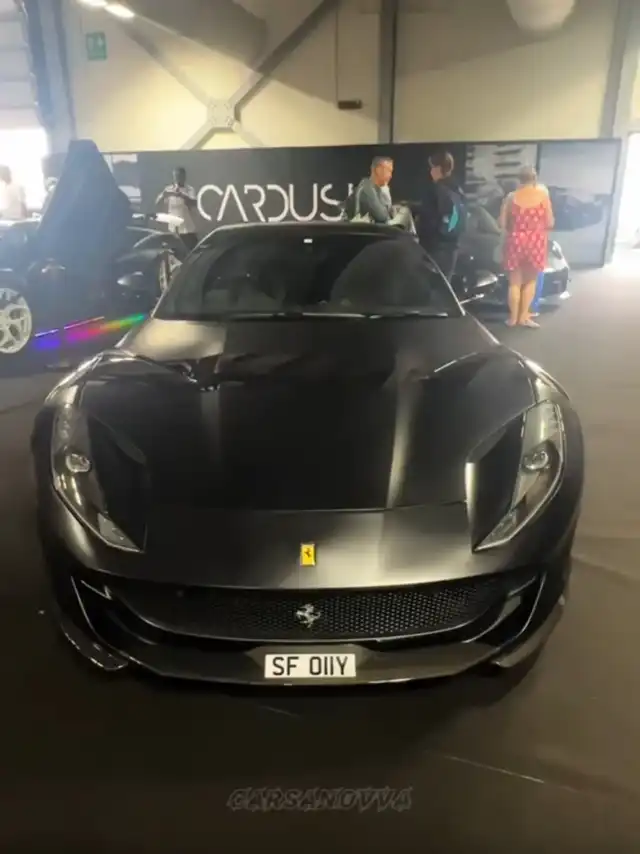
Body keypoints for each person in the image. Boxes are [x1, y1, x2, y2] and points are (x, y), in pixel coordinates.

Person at [499, 166, 554, 328]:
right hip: (536, 242)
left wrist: (514, 225)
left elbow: (501, 223)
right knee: (530, 281)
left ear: (519, 179)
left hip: (515, 240)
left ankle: (512, 319)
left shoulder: (511, 197)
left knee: (514, 282)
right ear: (535, 178)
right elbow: (550, 222)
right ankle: (524, 317)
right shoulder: (543, 196)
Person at [417, 150, 467, 280]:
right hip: (452, 248)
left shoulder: (435, 190)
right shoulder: (458, 190)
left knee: (429, 285)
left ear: (439, 168)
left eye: (432, 167)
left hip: (435, 249)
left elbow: (427, 221)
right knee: (444, 286)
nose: (431, 171)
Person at [156, 166, 198, 251]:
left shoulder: (189, 189)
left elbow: (194, 203)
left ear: (184, 177)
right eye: (175, 176)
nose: (177, 179)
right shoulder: (168, 189)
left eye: (179, 176)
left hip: (187, 229)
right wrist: (163, 195)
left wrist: (181, 195)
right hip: (173, 229)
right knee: (176, 252)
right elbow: (157, 204)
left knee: (192, 251)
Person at [344, 156, 395, 224]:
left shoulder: (376, 189)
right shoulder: (366, 188)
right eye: (389, 171)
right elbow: (382, 217)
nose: (390, 176)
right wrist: (386, 194)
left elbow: (390, 214)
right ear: (378, 170)